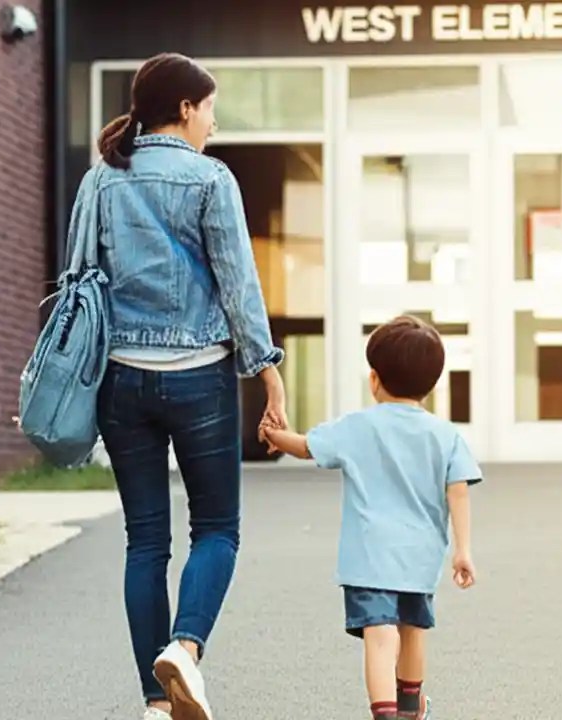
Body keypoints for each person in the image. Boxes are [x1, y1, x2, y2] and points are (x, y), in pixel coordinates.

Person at [88, 52, 287, 720]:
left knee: (145, 540)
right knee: (218, 530)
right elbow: (239, 284)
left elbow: (77, 285)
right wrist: (268, 374)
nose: (214, 120)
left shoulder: (101, 180)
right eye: (210, 107)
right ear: (184, 109)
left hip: (121, 381)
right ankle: (185, 649)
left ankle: (154, 702)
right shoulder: (209, 178)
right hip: (199, 376)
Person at [261, 315, 482, 720]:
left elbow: (307, 447)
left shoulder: (357, 426)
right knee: (413, 631)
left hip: (368, 558)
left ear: (375, 380)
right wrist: (463, 550)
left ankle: (385, 715)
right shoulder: (445, 435)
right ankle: (412, 707)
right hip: (420, 558)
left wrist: (275, 435)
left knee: (380, 638)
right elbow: (459, 490)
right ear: (431, 386)